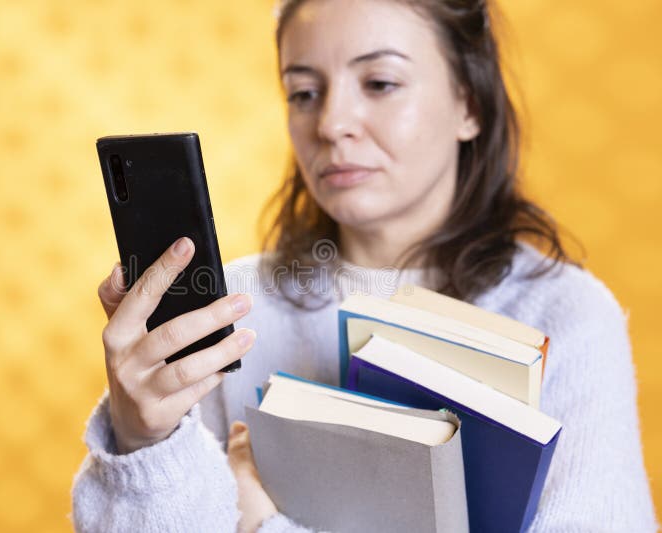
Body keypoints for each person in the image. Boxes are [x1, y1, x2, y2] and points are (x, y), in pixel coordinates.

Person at [71, 0, 659, 531]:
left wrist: (260, 523)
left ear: (470, 103)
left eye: (379, 83)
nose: (330, 124)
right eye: (304, 92)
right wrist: (143, 442)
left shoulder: (566, 314)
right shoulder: (229, 308)